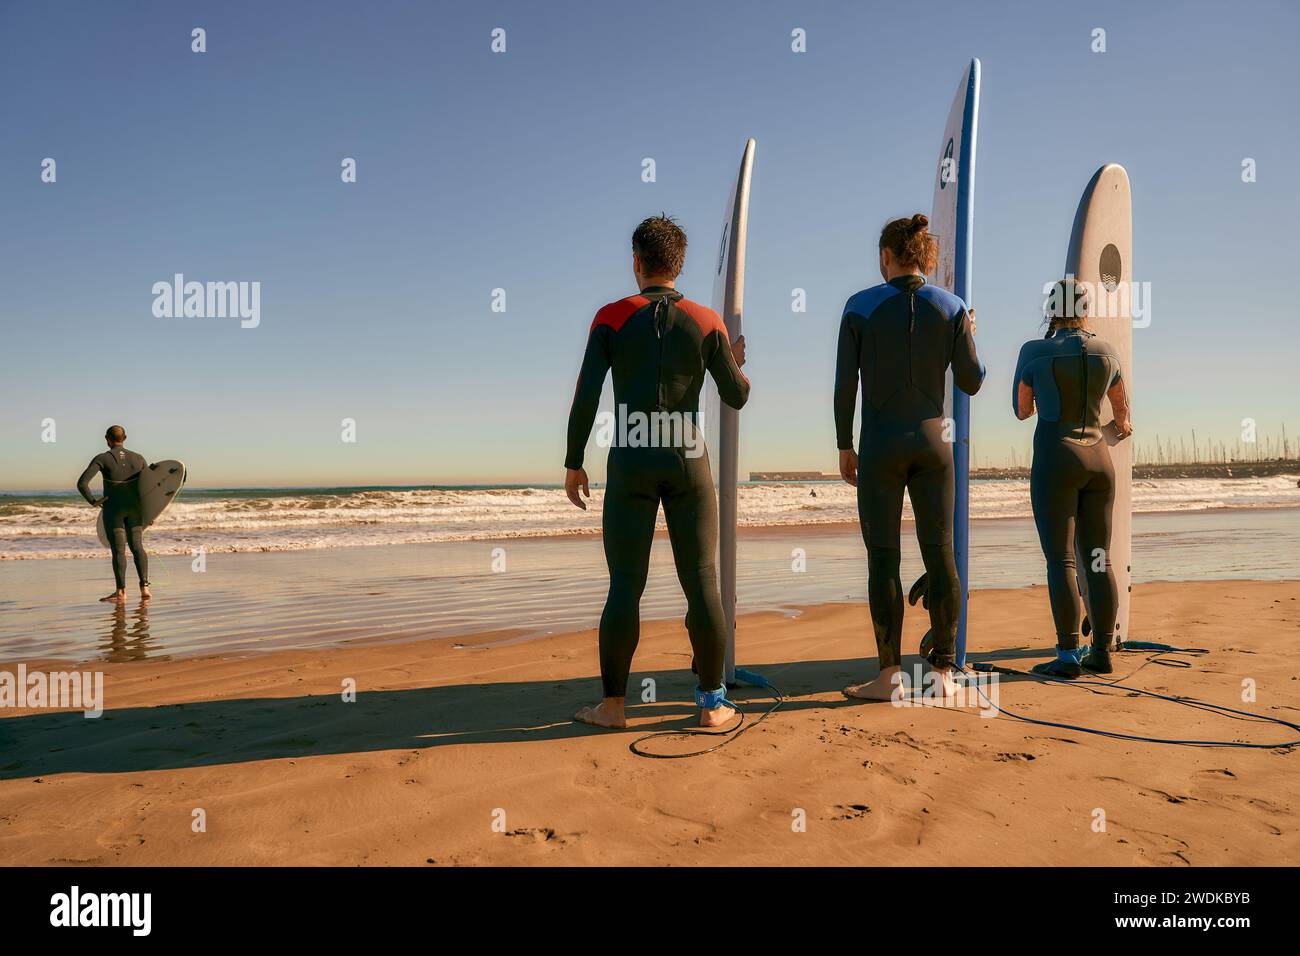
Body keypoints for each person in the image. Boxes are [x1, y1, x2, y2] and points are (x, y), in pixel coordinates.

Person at [564, 215, 750, 729]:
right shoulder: (707, 320)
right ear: (679, 264)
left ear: (637, 262)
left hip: (632, 457)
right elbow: (736, 395)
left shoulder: (610, 316)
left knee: (626, 584)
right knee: (703, 583)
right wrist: (735, 362)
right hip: (689, 460)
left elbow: (586, 395)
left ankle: (614, 707)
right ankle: (712, 705)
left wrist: (573, 461)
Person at [834, 214, 984, 701]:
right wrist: (968, 333)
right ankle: (942, 674)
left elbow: (845, 387)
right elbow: (972, 380)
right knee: (941, 556)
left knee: (884, 559)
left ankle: (888, 677)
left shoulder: (859, 306)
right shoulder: (953, 307)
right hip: (934, 445)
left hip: (880, 445)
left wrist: (844, 444)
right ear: (925, 257)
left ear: (885, 257)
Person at [1013, 278, 1131, 677]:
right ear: (1085, 309)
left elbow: (1022, 410)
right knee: (1099, 559)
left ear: (1051, 309)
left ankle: (1067, 657)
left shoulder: (1034, 350)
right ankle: (1102, 652)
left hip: (1055, 459)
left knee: (1061, 559)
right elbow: (1123, 418)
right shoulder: (1108, 352)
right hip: (1100, 464)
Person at [77, 425, 151, 605]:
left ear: (107, 439)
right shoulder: (139, 458)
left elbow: (82, 483)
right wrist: (151, 512)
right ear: (125, 437)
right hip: (135, 510)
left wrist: (94, 501)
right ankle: (145, 589)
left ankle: (121, 593)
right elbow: (149, 487)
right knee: (137, 547)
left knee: (118, 550)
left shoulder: (102, 458)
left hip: (114, 510)